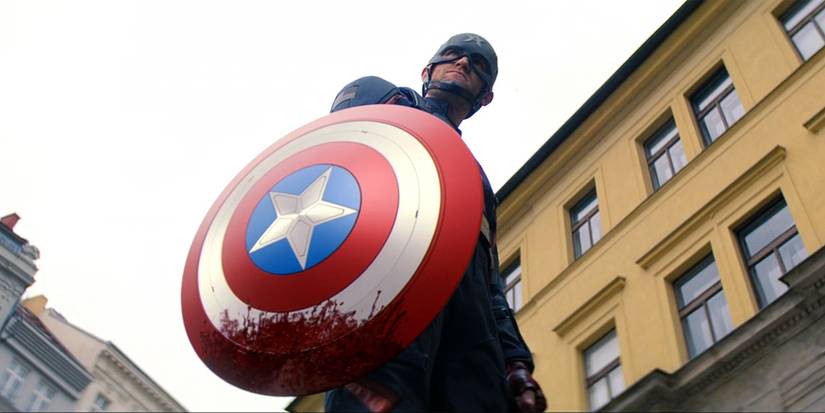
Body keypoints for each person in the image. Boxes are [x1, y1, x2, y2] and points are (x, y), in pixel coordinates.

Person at [325, 33, 546, 413]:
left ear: (486, 97)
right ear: (427, 71)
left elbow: (489, 279)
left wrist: (515, 360)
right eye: (453, 55)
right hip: (388, 294)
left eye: (477, 64)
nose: (463, 63)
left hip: (470, 333)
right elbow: (333, 175)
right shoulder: (387, 103)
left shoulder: (476, 181)